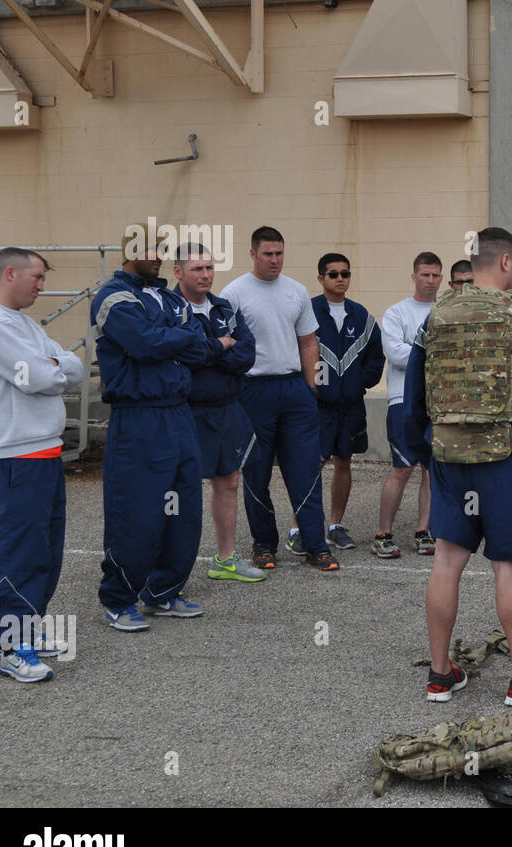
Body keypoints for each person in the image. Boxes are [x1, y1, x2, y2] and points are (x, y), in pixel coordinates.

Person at [403, 227, 512, 705]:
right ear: (505, 262)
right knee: (506, 566)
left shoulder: (434, 316)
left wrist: (425, 444)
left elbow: (413, 394)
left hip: (449, 457)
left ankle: (440, 675)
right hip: (508, 457)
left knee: (445, 560)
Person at [92, 237, 223, 630]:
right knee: (137, 510)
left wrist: (170, 341)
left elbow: (200, 349)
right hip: (139, 418)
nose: (158, 258)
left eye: (161, 251)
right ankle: (118, 598)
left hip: (178, 413)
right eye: (150, 251)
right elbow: (146, 343)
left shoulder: (168, 298)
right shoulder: (114, 298)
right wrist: (171, 340)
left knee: (182, 509)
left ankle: (163, 592)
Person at [0, 248, 83, 680]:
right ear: (11, 273)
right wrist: (53, 366)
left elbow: (72, 365)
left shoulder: (23, 324)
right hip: (15, 454)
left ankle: (29, 628)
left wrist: (53, 365)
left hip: (44, 450)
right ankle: (11, 647)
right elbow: (39, 377)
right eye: (37, 277)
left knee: (45, 546)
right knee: (17, 548)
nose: (42, 285)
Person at [220, 225, 337, 571]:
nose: (275, 260)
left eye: (280, 253)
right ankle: (264, 544)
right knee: (256, 474)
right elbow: (225, 344)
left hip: (294, 391)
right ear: (253, 254)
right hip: (252, 391)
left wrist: (309, 387)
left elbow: (308, 342)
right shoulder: (234, 293)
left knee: (305, 469)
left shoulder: (297, 291)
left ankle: (316, 544)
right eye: (268, 254)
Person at [171, 242, 264, 582]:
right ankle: (170, 566)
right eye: (197, 269)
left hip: (227, 408)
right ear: (178, 272)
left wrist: (214, 352)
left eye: (209, 268)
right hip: (187, 411)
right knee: (181, 487)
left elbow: (247, 354)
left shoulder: (225, 308)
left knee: (229, 480)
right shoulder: (170, 310)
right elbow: (187, 356)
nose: (206, 275)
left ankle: (225, 558)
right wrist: (220, 347)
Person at [299, 252, 384, 552]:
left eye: (344, 274)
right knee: (312, 463)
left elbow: (376, 356)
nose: (339, 279)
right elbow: (293, 352)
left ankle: (335, 525)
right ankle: (301, 528)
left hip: (350, 406)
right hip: (317, 406)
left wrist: (361, 381)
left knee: (344, 462)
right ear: (321, 278)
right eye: (333, 274)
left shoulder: (362, 316)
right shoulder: (306, 311)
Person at [375, 251, 442, 558]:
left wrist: (417, 354)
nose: (430, 280)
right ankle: (383, 534)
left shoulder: (445, 311)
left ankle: (424, 531)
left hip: (437, 403)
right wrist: (433, 357)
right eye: (425, 275)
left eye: (435, 275)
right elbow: (396, 354)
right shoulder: (396, 313)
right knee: (402, 469)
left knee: (431, 470)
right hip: (403, 401)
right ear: (414, 276)